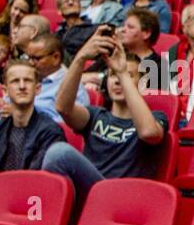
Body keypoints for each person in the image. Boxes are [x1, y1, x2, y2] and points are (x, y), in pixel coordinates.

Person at [44, 32, 168, 206]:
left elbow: (148, 133)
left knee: (60, 153)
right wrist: (80, 58)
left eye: (127, 76)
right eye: (112, 75)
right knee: (55, 153)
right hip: (90, 191)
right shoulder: (95, 115)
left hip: (122, 199)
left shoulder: (157, 117)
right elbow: (63, 108)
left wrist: (121, 71)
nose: (117, 81)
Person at [0, 59, 66, 175]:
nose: (22, 86)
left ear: (37, 89)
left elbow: (40, 179)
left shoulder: (51, 132)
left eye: (27, 81)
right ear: (5, 91)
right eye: (15, 81)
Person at [20, 32, 68, 120]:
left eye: (36, 59)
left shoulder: (71, 87)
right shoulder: (26, 78)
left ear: (56, 58)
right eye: (28, 58)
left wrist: (23, 115)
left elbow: (67, 126)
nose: (30, 63)